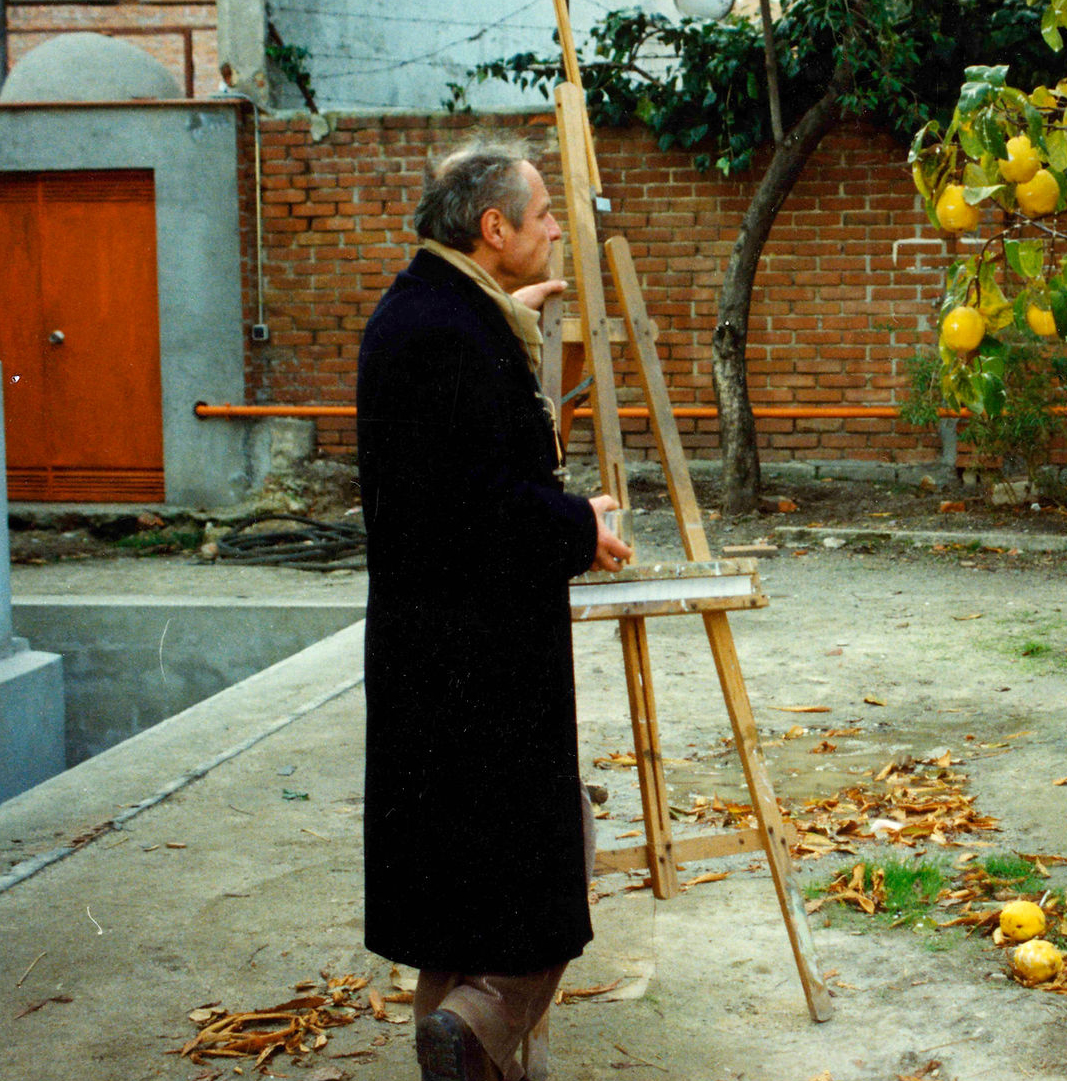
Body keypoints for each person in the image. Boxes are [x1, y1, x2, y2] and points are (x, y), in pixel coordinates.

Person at [356, 137, 632, 1081]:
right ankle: (477, 1028)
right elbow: (480, 504)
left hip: (431, 657)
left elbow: (450, 447)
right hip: (479, 664)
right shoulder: (447, 335)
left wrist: (503, 322)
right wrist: (577, 525)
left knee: (453, 903)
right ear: (495, 228)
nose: (557, 228)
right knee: (536, 888)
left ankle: (459, 1042)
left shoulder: (428, 311)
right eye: (544, 213)